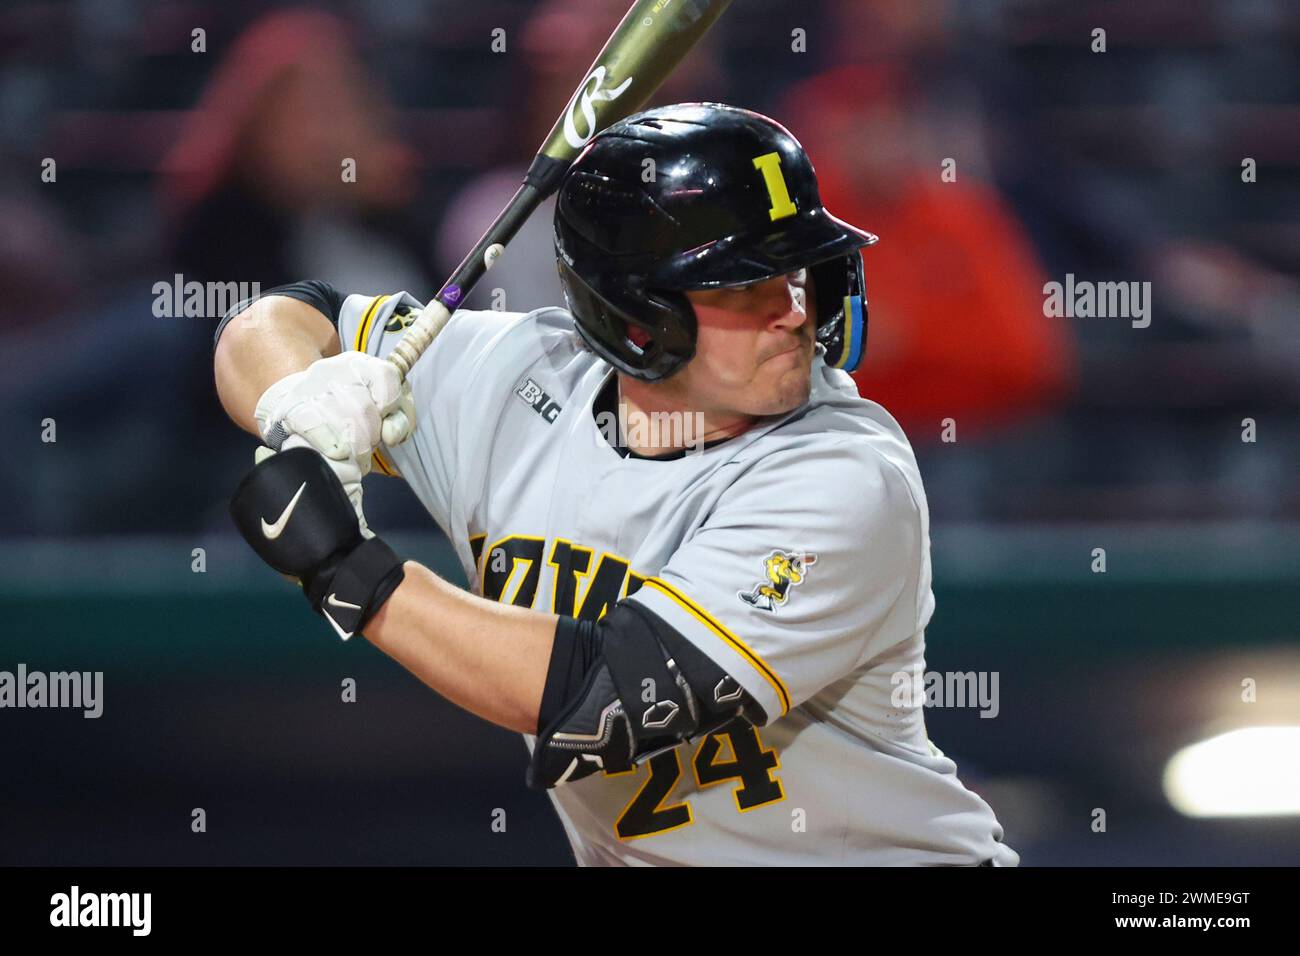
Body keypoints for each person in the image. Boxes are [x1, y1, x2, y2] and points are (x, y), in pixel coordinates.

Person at [213, 103, 1018, 866]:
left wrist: (353, 575)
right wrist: (302, 403)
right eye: (743, 285)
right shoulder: (520, 375)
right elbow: (277, 319)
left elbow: (598, 701)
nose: (794, 312)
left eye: (801, 271)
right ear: (637, 314)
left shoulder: (843, 474)